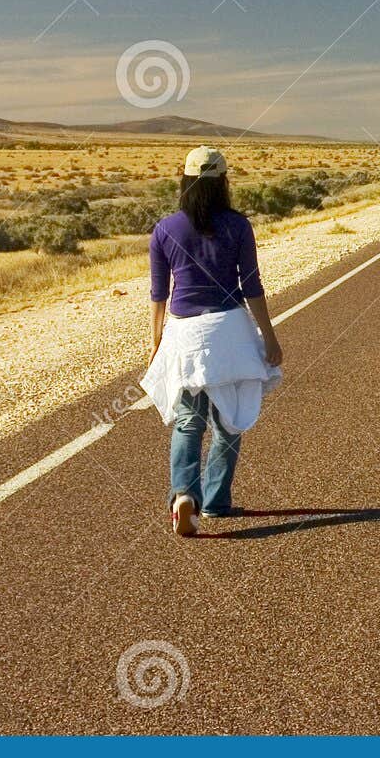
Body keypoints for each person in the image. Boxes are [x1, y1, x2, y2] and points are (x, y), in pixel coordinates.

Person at [141, 146, 283, 537]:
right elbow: (251, 285)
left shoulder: (165, 228)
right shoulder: (238, 226)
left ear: (184, 181)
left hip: (185, 331)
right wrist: (269, 337)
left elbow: (159, 293)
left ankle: (184, 495)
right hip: (230, 331)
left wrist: (155, 343)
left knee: (189, 420)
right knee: (228, 420)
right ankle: (217, 500)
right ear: (224, 181)